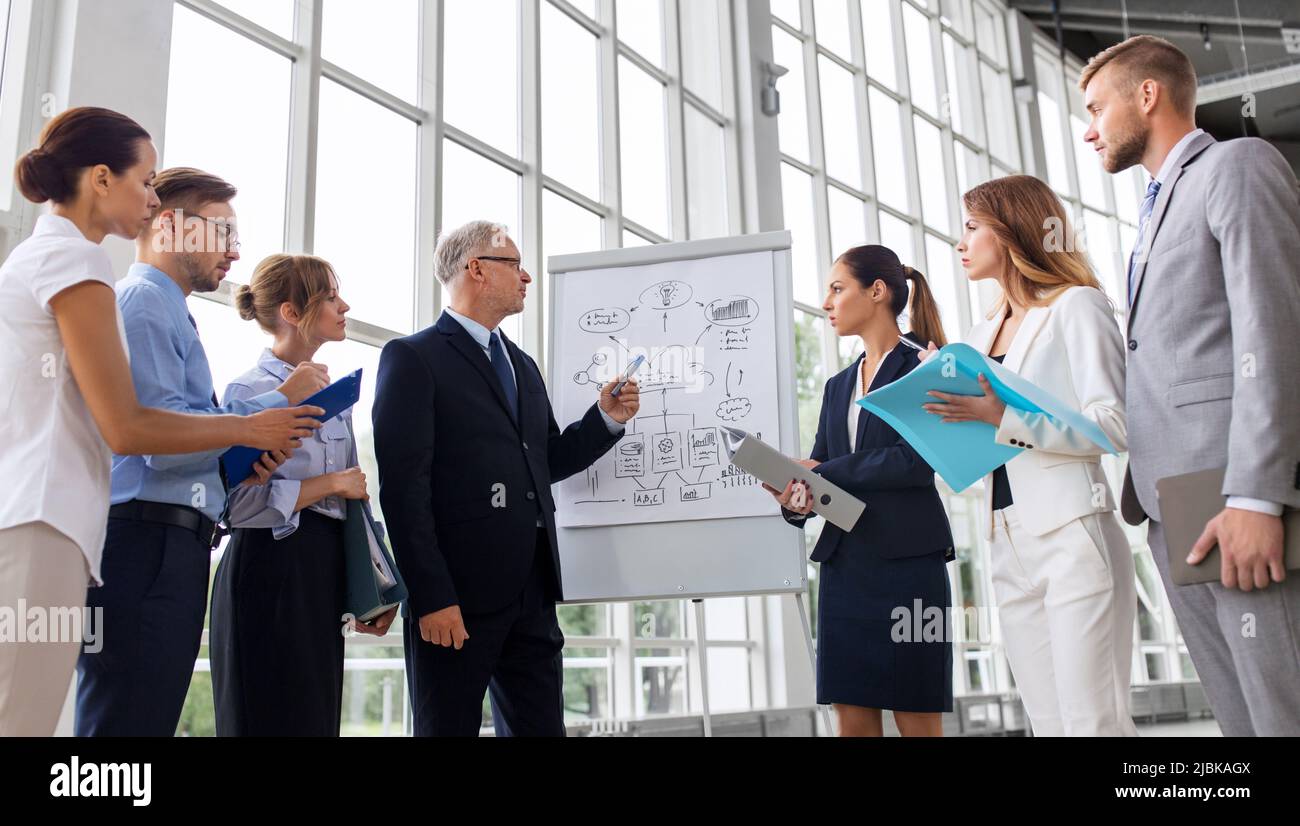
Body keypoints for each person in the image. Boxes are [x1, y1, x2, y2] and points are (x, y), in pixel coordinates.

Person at [0, 107, 319, 737]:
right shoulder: (92, 272)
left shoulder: (69, 264)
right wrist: (251, 426)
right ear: (99, 178)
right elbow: (131, 427)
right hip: (68, 519)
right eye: (145, 182)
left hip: (68, 521)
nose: (150, 198)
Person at [1080, 35, 1300, 735]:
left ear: (1148, 95)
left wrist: (1257, 495)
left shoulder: (1234, 165)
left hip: (1230, 494)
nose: (1090, 128)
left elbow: (1274, 330)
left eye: (1096, 107)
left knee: (1281, 708)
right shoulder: (1149, 214)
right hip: (1174, 502)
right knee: (1240, 720)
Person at [76, 167, 331, 737]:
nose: (234, 255)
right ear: (170, 226)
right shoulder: (143, 302)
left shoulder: (168, 309)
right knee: (124, 728)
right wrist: (261, 417)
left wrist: (241, 456)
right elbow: (157, 445)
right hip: (144, 545)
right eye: (222, 235)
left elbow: (182, 442)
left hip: (170, 542)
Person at [373, 220, 639, 737]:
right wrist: (431, 596)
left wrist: (606, 418)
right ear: (475, 269)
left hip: (532, 593)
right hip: (456, 598)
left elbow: (547, 460)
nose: (526, 278)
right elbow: (404, 491)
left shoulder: (521, 363)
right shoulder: (413, 357)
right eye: (514, 265)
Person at [921, 175, 1137, 736]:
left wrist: (1005, 418)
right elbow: (986, 444)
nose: (959, 242)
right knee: (1046, 723)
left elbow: (1116, 425)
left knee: (1092, 722)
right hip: (1003, 535)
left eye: (971, 228)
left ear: (1012, 231)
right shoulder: (981, 330)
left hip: (1070, 530)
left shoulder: (1077, 307)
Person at [767, 245, 954, 737]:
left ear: (877, 292)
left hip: (910, 564)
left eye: (837, 288)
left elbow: (914, 462)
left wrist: (825, 469)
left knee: (916, 714)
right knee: (851, 716)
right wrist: (795, 499)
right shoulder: (837, 385)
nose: (826, 302)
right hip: (846, 565)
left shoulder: (925, 366)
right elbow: (823, 470)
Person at [210, 254, 397, 736]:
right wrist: (328, 485)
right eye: (331, 297)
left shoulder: (334, 394)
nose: (345, 306)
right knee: (264, 716)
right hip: (268, 567)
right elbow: (234, 505)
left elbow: (354, 498)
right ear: (292, 313)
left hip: (322, 567)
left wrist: (378, 585)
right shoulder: (247, 391)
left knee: (315, 718)